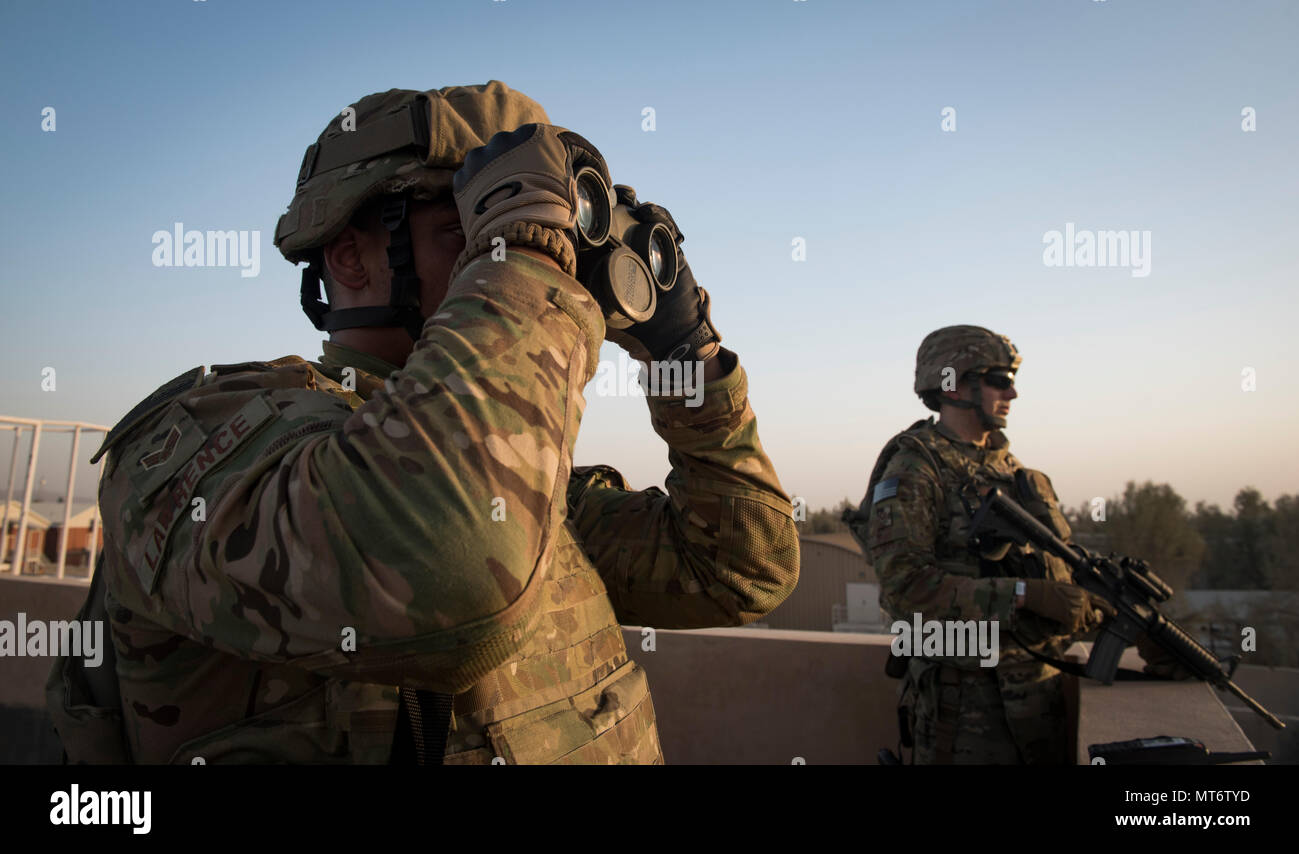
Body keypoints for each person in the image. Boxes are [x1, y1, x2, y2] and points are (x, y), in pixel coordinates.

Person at [47, 81, 799, 764]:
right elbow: (457, 575)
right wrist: (527, 250)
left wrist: (685, 354)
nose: (521, 258)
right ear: (349, 258)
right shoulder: (205, 439)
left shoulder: (519, 487)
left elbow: (740, 568)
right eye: (469, 230)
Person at [845, 325, 1113, 764]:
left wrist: (1105, 608)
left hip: (1038, 704)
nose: (1013, 393)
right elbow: (906, 589)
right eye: (999, 380)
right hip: (964, 713)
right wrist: (1025, 597)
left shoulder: (1013, 471)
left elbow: (1060, 572)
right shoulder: (916, 466)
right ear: (953, 384)